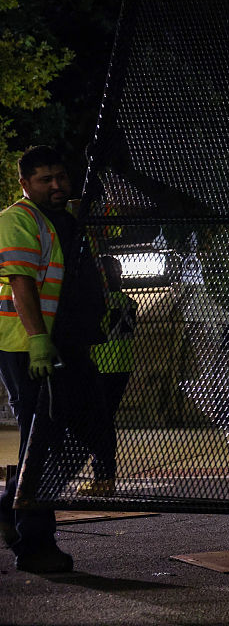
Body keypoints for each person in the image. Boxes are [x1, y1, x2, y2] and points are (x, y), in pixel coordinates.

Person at [0, 146, 109, 573]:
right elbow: (22, 281)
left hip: (68, 344)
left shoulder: (64, 220)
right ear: (25, 184)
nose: (57, 185)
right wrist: (37, 340)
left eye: (61, 176)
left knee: (88, 428)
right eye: (45, 179)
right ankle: (34, 543)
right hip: (33, 347)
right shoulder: (18, 219)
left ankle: (13, 505)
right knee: (41, 441)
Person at [83, 255, 139, 495]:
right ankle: (105, 477)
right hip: (122, 367)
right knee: (105, 421)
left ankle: (103, 477)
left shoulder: (101, 302)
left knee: (98, 423)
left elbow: (93, 331)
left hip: (102, 367)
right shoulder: (128, 302)